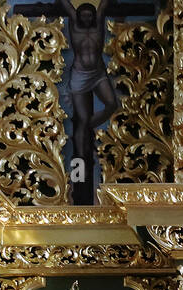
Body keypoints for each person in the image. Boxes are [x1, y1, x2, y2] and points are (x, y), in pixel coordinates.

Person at [56, 0, 120, 201]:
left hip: (98, 73)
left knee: (112, 105)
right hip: (80, 75)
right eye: (82, 15)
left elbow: (102, 6)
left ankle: (88, 128)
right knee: (81, 121)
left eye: (89, 15)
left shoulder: (99, 23)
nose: (86, 18)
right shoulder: (74, 24)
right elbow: (66, 5)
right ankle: (83, 150)